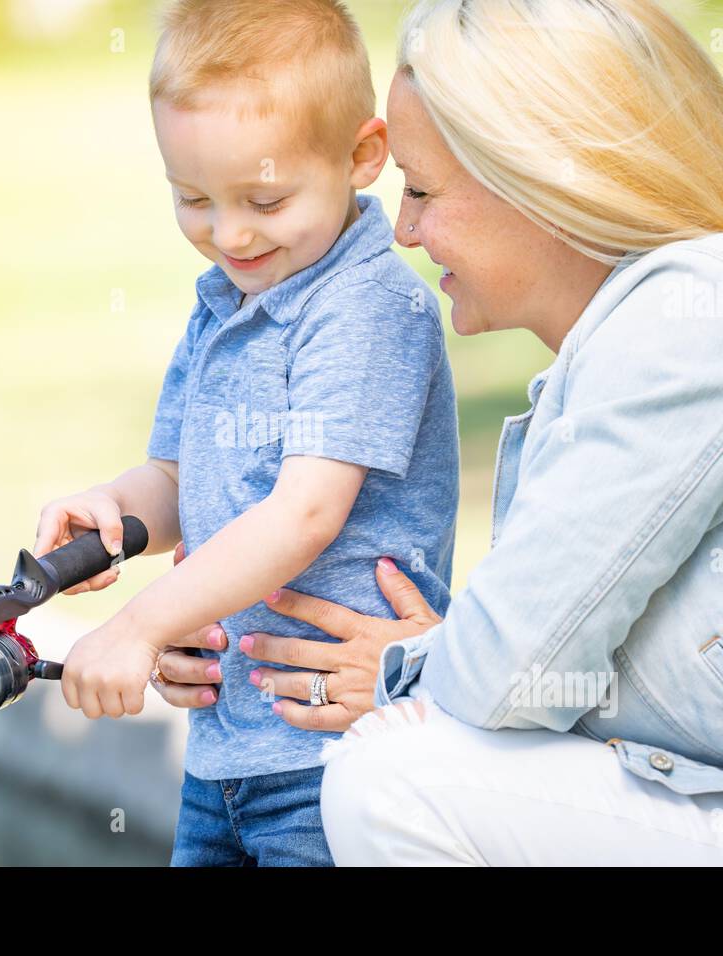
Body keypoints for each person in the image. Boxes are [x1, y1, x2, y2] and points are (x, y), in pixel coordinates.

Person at [156, 0, 723, 866]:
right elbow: (531, 667)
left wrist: (408, 667)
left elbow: (511, 671)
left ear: (541, 179)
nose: (403, 228)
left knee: (394, 778)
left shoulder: (697, 320)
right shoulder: (614, 357)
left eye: (426, 189)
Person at [33, 0, 459, 866]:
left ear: (362, 158)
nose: (227, 234)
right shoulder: (226, 304)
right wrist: (112, 509)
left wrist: (139, 626)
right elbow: (175, 475)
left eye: (264, 199)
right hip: (224, 756)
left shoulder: (368, 308)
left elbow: (306, 513)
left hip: (331, 756)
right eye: (192, 199)